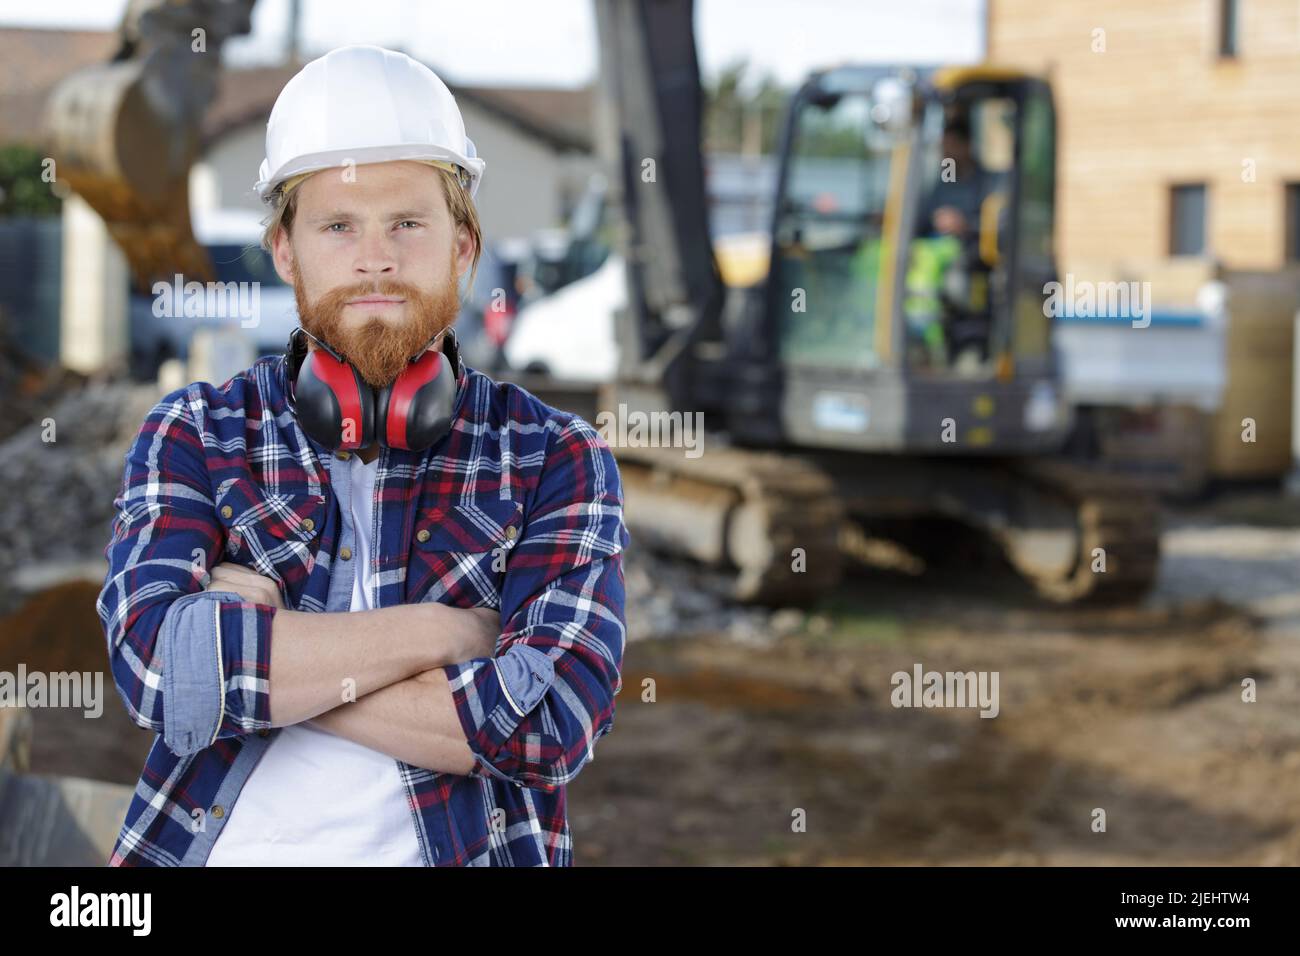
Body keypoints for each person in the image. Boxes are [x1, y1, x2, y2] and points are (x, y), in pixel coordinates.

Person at [95, 45, 628, 867]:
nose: (375, 257)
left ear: (462, 246)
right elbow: (164, 678)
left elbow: (548, 723)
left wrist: (263, 653)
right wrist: (445, 634)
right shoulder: (198, 432)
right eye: (338, 225)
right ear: (285, 251)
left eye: (407, 224)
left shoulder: (555, 459)